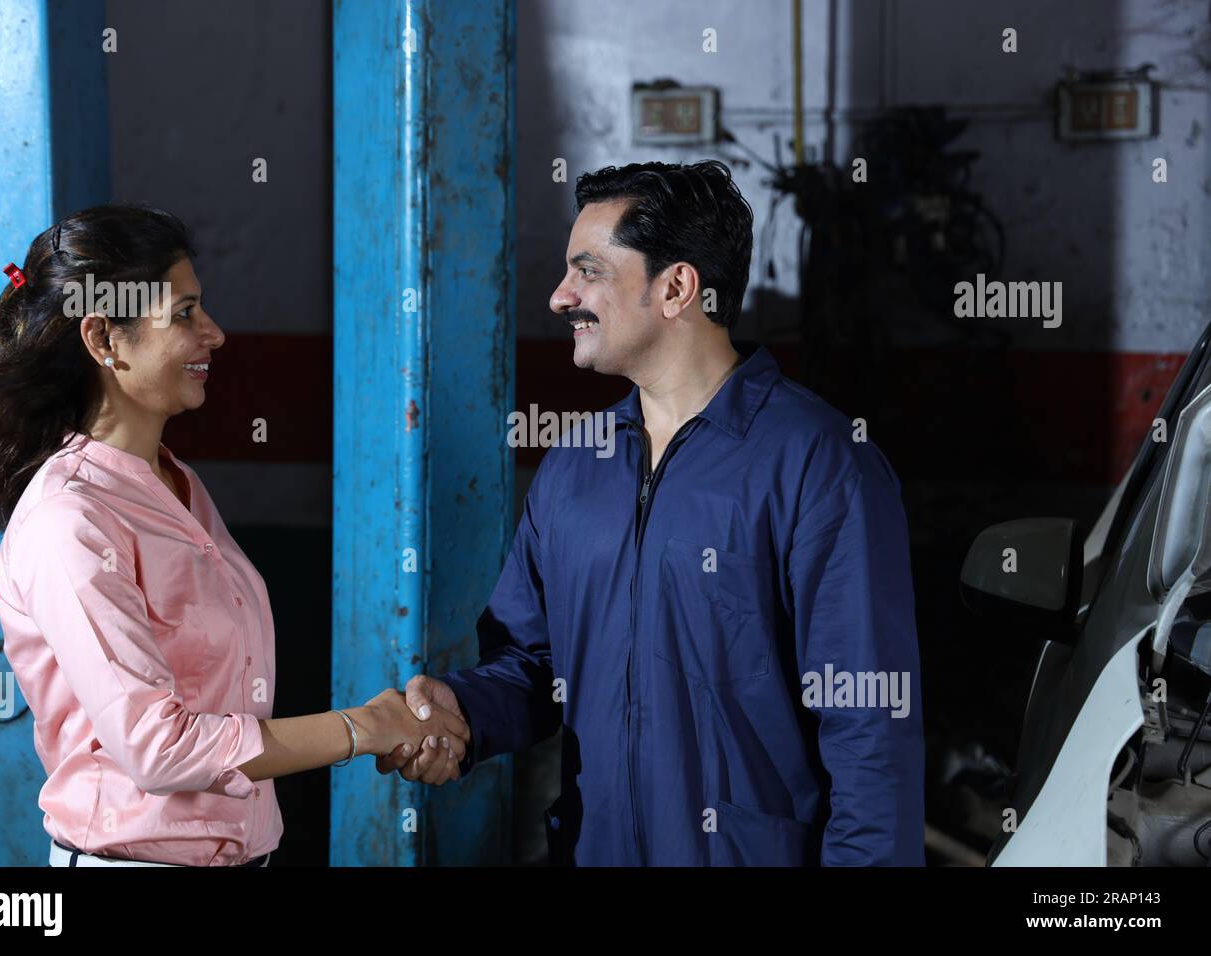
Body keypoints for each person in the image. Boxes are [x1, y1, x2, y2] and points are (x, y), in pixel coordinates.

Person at [376, 160, 926, 865]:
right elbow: (533, 660)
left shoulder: (818, 464)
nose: (559, 296)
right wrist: (463, 712)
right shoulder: (577, 465)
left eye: (589, 271)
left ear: (677, 288)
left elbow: (870, 728)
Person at [0, 203, 467, 867]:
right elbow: (157, 747)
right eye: (183, 315)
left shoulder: (176, 485)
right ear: (105, 341)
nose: (215, 333)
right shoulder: (71, 519)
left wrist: (381, 725)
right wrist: (363, 729)